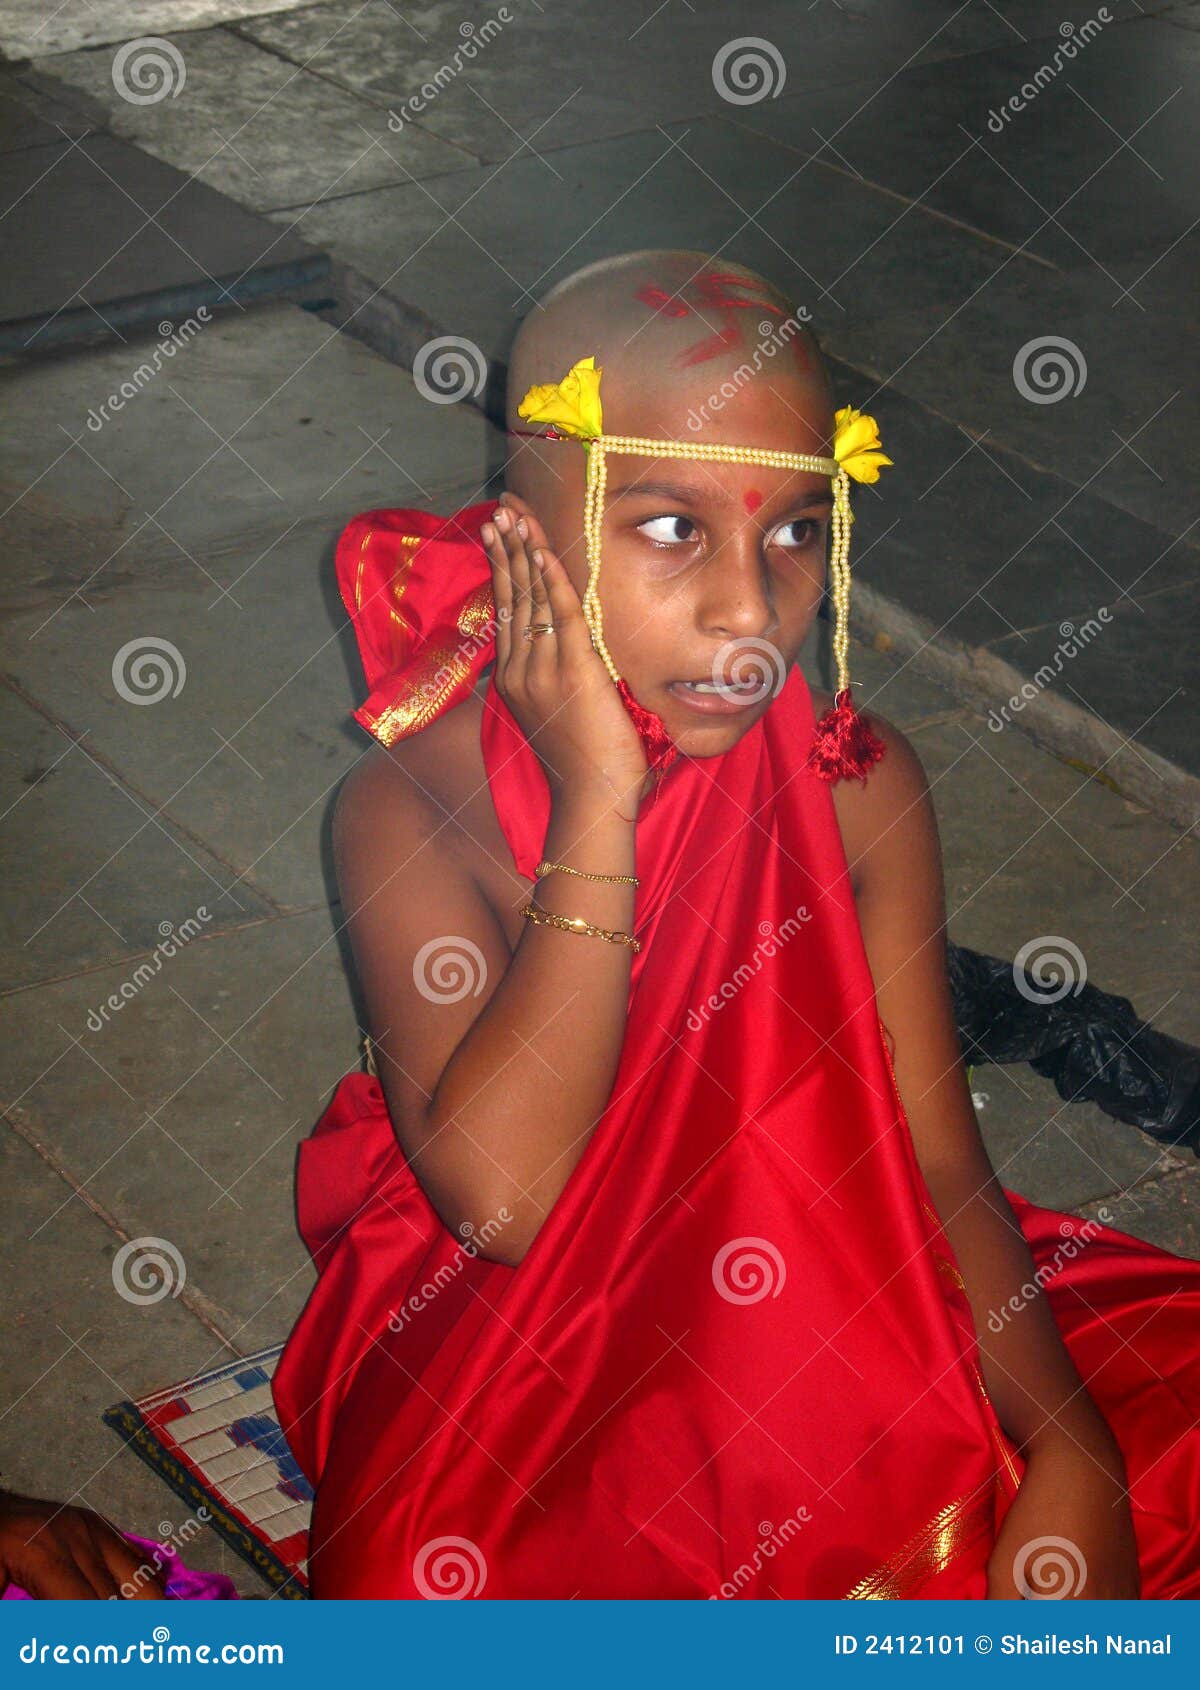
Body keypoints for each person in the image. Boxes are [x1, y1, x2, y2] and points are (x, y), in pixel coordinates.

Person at [272, 250, 1200, 1600]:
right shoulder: (408, 806)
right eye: (669, 529)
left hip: (822, 1267)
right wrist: (600, 803)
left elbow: (939, 1164)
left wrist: (1071, 1446)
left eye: (794, 530)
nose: (749, 608)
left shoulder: (859, 784)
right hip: (521, 1338)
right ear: (534, 532)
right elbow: (511, 1206)